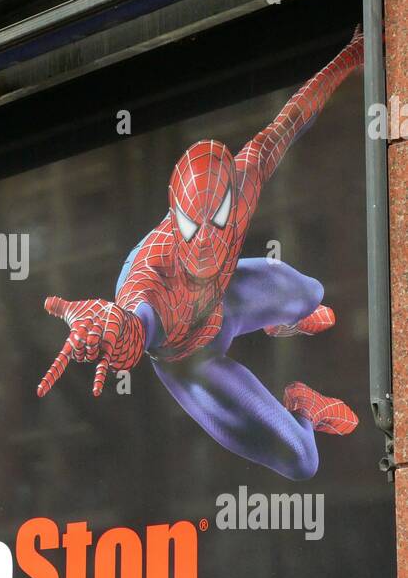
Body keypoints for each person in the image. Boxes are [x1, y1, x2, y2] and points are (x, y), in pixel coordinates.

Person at [37, 29, 364, 480]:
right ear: (175, 215)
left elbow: (294, 117)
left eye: (217, 219)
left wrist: (349, 55)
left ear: (232, 192)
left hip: (223, 299)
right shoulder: (154, 270)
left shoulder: (245, 177)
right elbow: (137, 321)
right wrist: (114, 328)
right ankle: (302, 405)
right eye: (192, 226)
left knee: (312, 293)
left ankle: (278, 320)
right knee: (302, 459)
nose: (206, 241)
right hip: (192, 359)